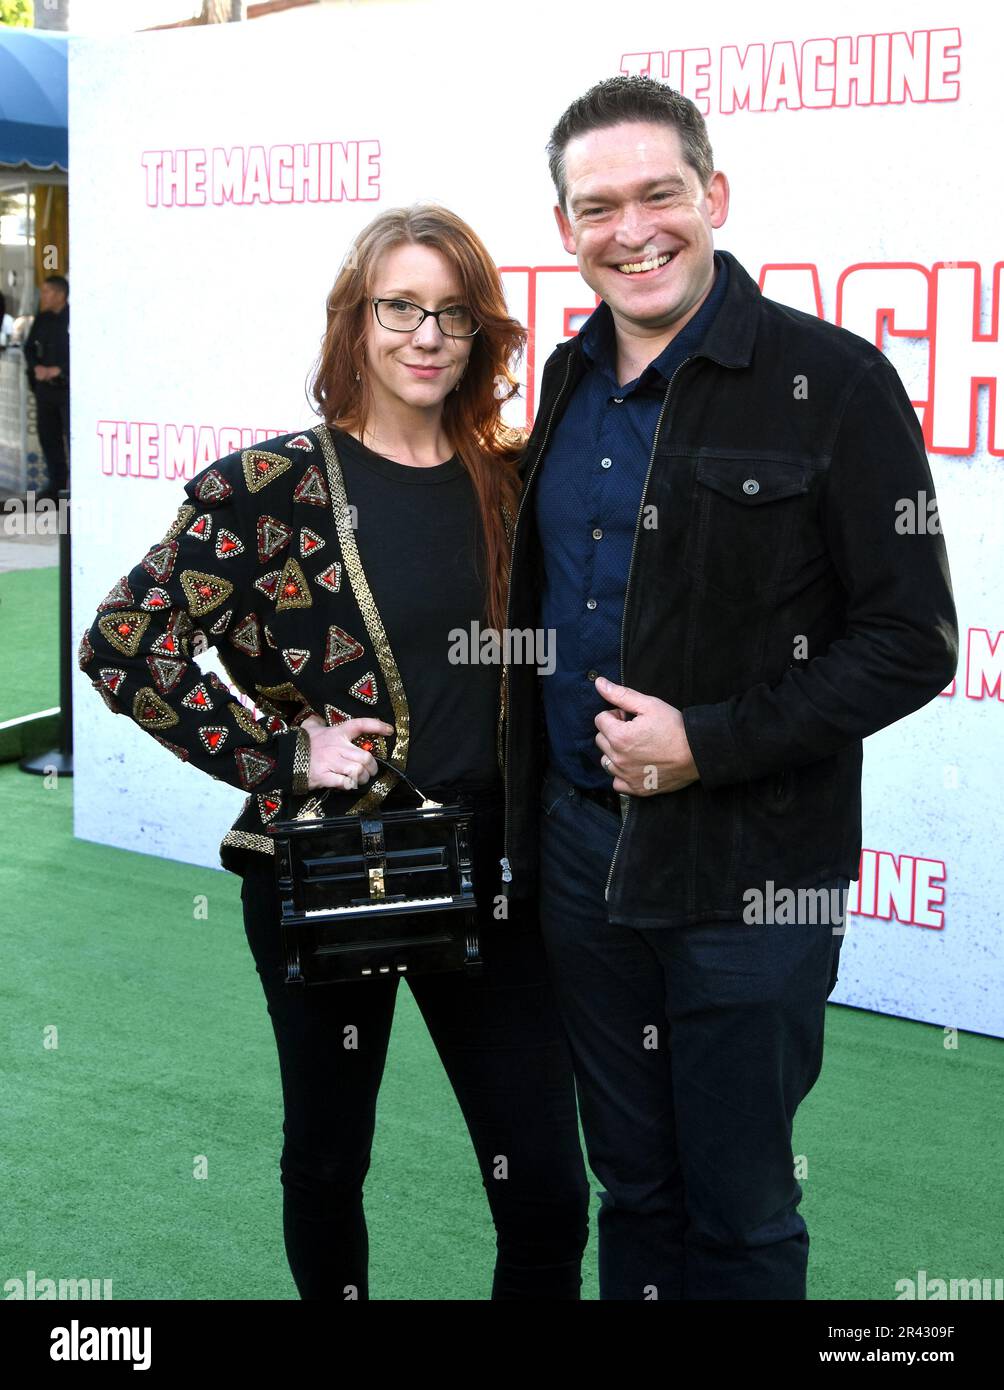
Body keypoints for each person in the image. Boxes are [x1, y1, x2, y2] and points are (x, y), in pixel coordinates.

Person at [499, 76, 958, 1300]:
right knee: (634, 1193)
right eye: (598, 206)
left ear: (713, 195)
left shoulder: (835, 381)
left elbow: (911, 640)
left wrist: (707, 741)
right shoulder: (566, 381)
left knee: (743, 1214)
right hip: (582, 869)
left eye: (659, 193)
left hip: (750, 878)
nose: (632, 228)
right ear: (562, 229)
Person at [79, 204, 589, 1300]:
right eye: (399, 306)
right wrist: (278, 752)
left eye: (452, 313)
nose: (426, 335)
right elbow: (123, 645)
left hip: (491, 875)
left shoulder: (512, 481)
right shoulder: (263, 493)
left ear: (480, 333)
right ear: (355, 320)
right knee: (328, 1157)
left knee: (546, 1186)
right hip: (328, 868)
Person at [24, 274, 70, 502]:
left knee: (71, 436)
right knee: (48, 436)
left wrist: (59, 370)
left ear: (60, 294)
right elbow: (28, 348)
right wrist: (37, 367)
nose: (43, 296)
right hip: (45, 390)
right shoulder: (42, 319)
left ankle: (76, 484)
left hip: (67, 389)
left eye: (47, 292)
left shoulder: (73, 318)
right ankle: (56, 485)